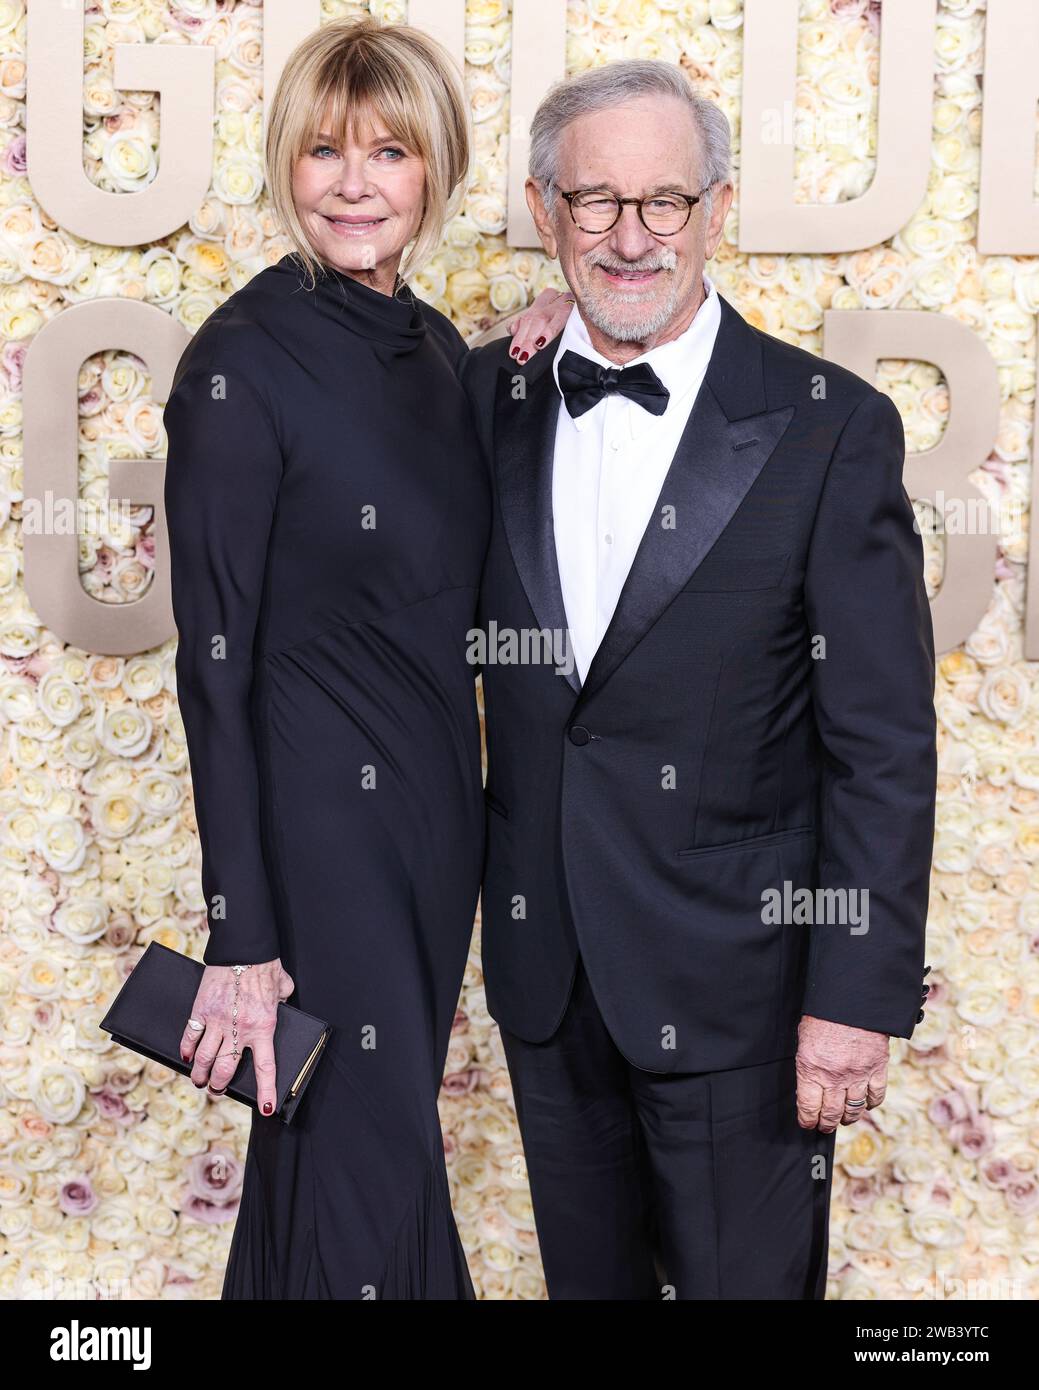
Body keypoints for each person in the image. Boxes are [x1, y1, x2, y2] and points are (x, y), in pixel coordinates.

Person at [460, 58, 937, 1299]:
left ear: (716, 210)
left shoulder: (832, 425)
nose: (629, 238)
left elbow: (879, 742)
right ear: (544, 208)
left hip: (747, 992)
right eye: (595, 202)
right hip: (548, 976)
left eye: (663, 201)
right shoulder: (485, 393)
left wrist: (853, 997)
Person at [162, 16, 567, 1300]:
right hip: (318, 832)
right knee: (360, 1142)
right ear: (287, 163)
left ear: (433, 171)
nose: (353, 181)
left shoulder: (438, 352)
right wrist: (242, 933)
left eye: (388, 152)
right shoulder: (238, 364)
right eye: (326, 150)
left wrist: (536, 344)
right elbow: (211, 665)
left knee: (343, 1147)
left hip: (436, 815)